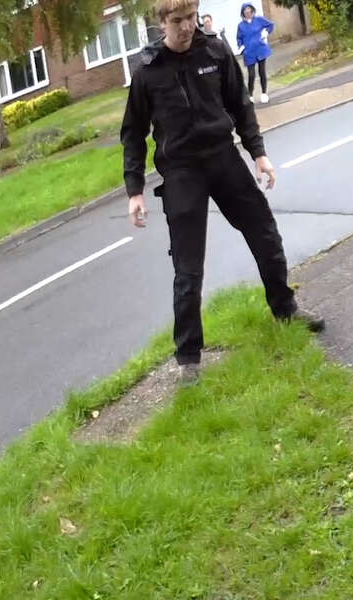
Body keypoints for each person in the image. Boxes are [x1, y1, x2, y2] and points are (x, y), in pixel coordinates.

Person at [120, 0, 324, 383]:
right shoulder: (149, 72)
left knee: (264, 232)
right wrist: (134, 190)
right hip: (182, 173)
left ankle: (285, 309)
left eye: (191, 18)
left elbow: (240, 104)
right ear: (162, 22)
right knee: (188, 267)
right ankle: (188, 357)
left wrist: (258, 154)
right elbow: (133, 135)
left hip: (222, 158)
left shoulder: (215, 50)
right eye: (178, 21)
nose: (186, 27)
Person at [235, 3, 275, 104]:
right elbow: (239, 38)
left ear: (252, 11)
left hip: (260, 49)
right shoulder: (241, 26)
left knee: (262, 72)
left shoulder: (259, 20)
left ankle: (264, 93)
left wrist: (266, 32)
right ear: (243, 13)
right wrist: (241, 47)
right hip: (249, 53)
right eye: (246, 12)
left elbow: (271, 25)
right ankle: (251, 95)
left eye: (249, 11)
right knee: (251, 75)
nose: (248, 13)